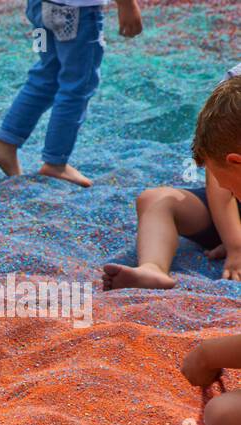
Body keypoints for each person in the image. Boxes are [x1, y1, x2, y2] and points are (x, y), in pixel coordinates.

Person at [103, 68, 241, 290]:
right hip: (228, 209)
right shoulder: (233, 86)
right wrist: (234, 242)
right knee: (157, 200)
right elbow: (218, 171)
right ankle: (153, 268)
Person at [0, 0, 142, 188]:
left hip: (39, 8)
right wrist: (127, 4)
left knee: (47, 73)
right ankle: (55, 162)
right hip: (77, 13)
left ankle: (5, 142)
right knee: (78, 85)